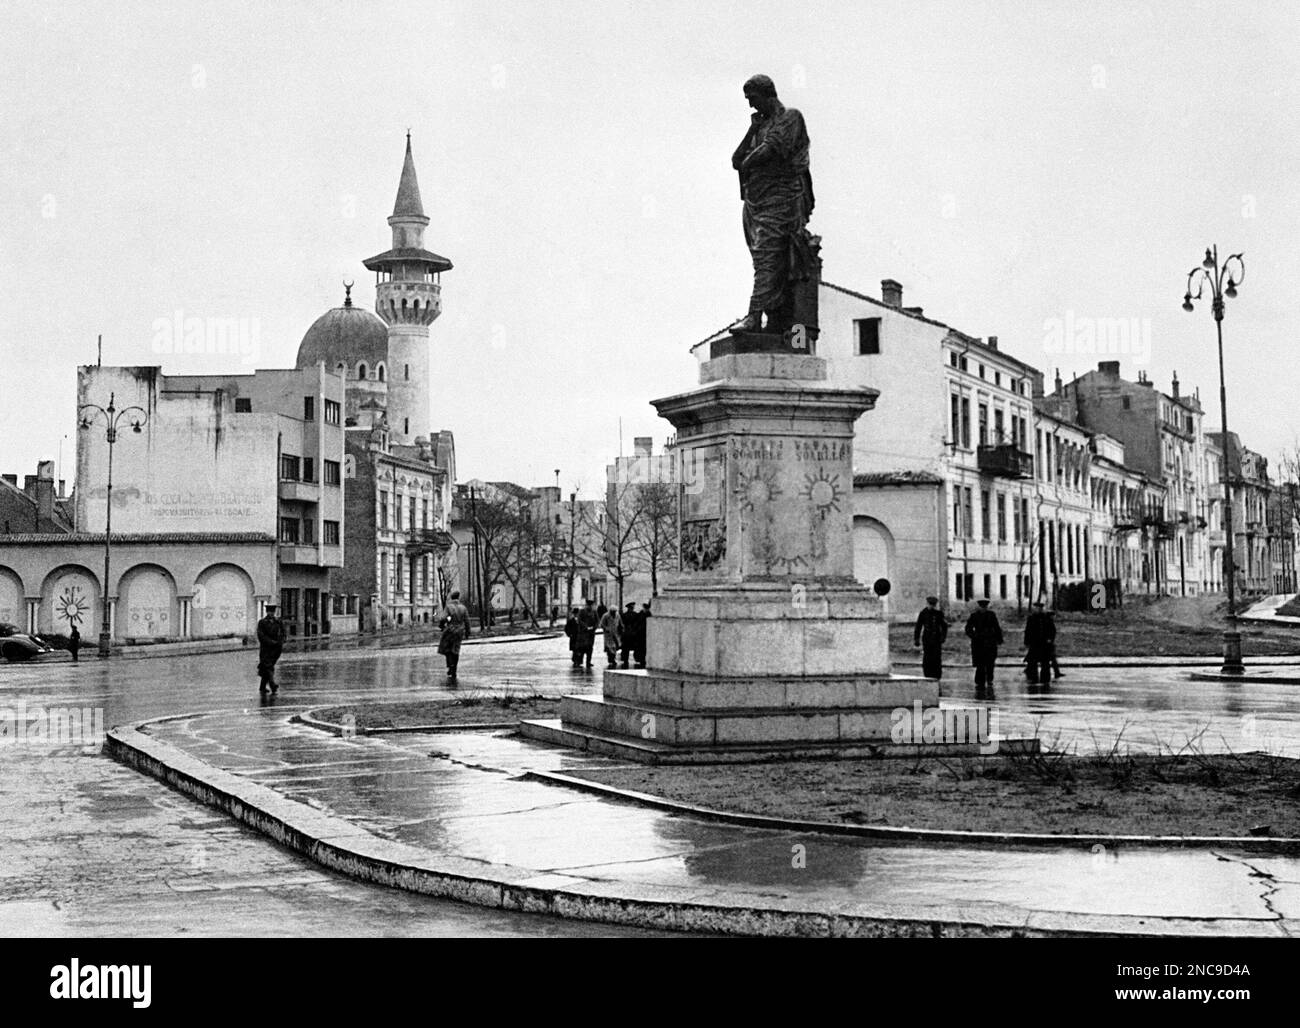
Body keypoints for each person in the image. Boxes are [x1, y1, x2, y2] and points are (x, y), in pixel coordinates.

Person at [731, 74, 815, 334]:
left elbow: (771, 150)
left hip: (781, 199)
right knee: (765, 259)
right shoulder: (762, 127)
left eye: (752, 99)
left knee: (769, 255)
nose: (750, 106)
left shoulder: (791, 117)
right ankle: (777, 321)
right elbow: (736, 160)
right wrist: (752, 129)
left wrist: (748, 162)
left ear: (767, 94)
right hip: (757, 202)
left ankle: (754, 317)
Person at [964, 598, 1003, 697]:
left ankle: (990, 679)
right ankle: (979, 681)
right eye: (982, 607)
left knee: (990, 662)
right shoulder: (974, 616)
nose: (983, 609)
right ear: (979, 607)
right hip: (979, 643)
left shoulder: (991, 615)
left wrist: (999, 639)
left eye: (985, 607)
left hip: (990, 642)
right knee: (980, 663)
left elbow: (996, 627)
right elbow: (968, 628)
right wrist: (973, 636)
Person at [438, 590, 472, 680]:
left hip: (450, 630)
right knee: (456, 650)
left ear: (451, 598)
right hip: (459, 631)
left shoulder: (449, 607)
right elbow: (467, 621)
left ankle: (450, 666)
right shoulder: (463, 608)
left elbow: (443, 618)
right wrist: (468, 632)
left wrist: (441, 626)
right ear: (458, 598)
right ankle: (454, 669)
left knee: (447, 649)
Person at [912, 596, 947, 680]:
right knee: (927, 657)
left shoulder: (938, 614)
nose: (931, 606)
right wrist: (916, 639)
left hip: (936, 639)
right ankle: (927, 674)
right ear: (927, 604)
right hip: (927, 639)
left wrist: (943, 637)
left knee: (937, 658)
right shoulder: (923, 613)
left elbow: (944, 626)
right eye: (930, 604)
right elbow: (918, 627)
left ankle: (937, 675)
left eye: (933, 605)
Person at [1023, 601, 1055, 686]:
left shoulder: (1046, 618)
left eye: (1040, 608)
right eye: (1036, 608)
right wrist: (1027, 642)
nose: (1038, 610)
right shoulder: (1031, 618)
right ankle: (1033, 678)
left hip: (1044, 644)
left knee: (1045, 663)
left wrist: (1050, 639)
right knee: (1032, 662)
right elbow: (1028, 631)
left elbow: (1052, 630)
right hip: (1034, 644)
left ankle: (1045, 679)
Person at [256, 603, 285, 694]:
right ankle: (272, 685)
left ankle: (262, 686)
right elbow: (261, 635)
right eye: (269, 612)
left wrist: (281, 641)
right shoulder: (262, 622)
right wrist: (270, 642)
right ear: (266, 612)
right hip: (266, 649)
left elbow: (283, 632)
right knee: (268, 667)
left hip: (276, 649)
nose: (271, 613)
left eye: (272, 612)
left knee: (268, 667)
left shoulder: (278, 622)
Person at [575, 598, 599, 670]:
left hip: (591, 633)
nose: (589, 607)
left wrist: (594, 627)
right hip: (583, 633)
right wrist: (586, 627)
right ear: (586, 605)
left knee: (590, 648)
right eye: (588, 605)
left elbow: (597, 621)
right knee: (582, 647)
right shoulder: (582, 611)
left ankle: (588, 661)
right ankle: (579, 661)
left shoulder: (594, 612)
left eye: (591, 605)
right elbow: (579, 620)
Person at [599, 605, 622, 669]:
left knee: (615, 647)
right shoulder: (605, 616)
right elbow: (601, 624)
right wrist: (606, 628)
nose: (614, 613)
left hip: (616, 633)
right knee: (609, 647)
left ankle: (613, 658)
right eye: (612, 612)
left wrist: (621, 629)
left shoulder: (617, 615)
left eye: (614, 611)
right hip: (608, 634)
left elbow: (620, 623)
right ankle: (611, 659)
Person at [618, 601, 639, 668]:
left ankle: (625, 659)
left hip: (627, 633)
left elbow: (620, 625)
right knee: (634, 647)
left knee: (626, 647)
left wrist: (621, 633)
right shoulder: (635, 615)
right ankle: (636, 658)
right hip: (632, 633)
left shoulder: (624, 615)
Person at [634, 602, 651, 668]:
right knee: (640, 647)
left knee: (643, 647)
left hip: (644, 633)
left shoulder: (647, 614)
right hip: (640, 633)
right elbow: (637, 624)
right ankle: (641, 659)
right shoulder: (641, 614)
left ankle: (642, 659)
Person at [1048, 610, 1064, 679]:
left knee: (1052, 659)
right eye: (1053, 615)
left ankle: (1057, 672)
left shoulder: (1049, 622)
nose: (1054, 617)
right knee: (1052, 659)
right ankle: (1056, 672)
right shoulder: (1048, 623)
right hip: (1048, 644)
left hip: (1050, 643)